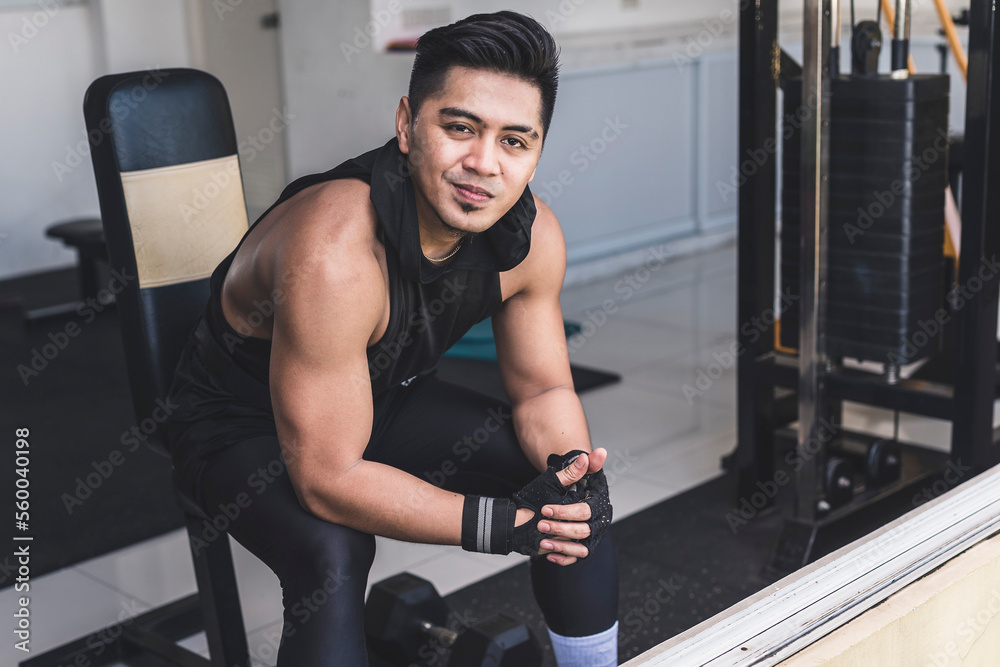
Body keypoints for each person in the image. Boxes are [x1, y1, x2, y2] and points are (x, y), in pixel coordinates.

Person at [166, 10, 619, 666]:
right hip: (236, 421)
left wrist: (571, 475)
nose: (483, 163)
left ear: (538, 150)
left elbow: (544, 390)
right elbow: (327, 479)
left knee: (570, 501)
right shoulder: (334, 252)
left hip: (377, 395)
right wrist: (502, 525)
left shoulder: (534, 238)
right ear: (407, 124)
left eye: (515, 141)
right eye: (459, 128)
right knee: (334, 550)